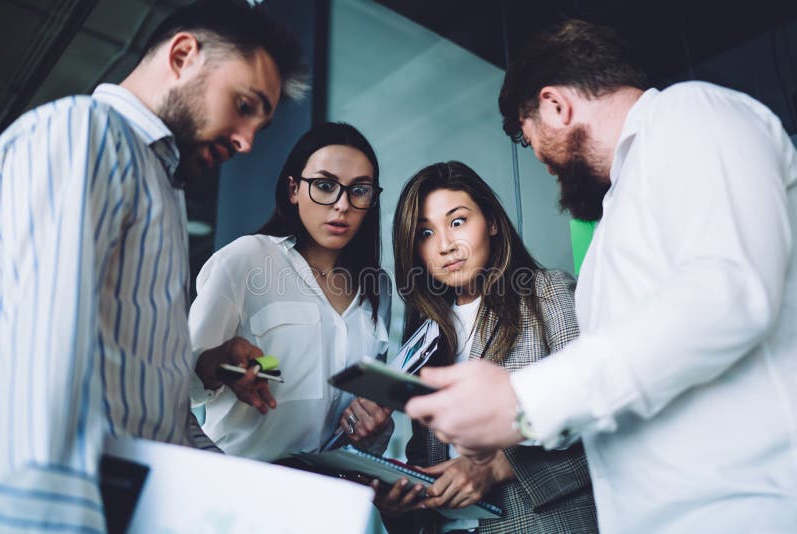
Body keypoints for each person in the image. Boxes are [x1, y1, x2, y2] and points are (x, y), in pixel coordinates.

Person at [404, 19, 797, 533]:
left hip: (744, 508)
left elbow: (728, 293)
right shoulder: (615, 224)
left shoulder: (691, 112)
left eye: (531, 141)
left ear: (555, 106)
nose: (544, 165)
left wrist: (522, 403)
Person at [0, 0, 305, 530]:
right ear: (183, 55)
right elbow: (38, 364)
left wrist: (256, 506)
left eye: (260, 122)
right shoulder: (85, 134)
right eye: (243, 104)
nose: (247, 140)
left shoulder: (163, 187)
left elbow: (159, 412)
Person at [374, 161, 597, 533]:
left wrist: (497, 467)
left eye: (457, 222)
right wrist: (400, 501)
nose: (445, 245)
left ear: (492, 222)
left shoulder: (547, 293)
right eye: (426, 232)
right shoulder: (427, 334)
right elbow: (428, 456)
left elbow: (599, 418)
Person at [189, 122, 394, 461]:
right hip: (242, 488)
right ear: (294, 189)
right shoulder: (248, 259)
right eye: (325, 186)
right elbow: (178, 384)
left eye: (359, 190)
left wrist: (373, 427)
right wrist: (220, 362)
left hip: (331, 494)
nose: (342, 205)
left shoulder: (378, 288)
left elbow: (362, 420)